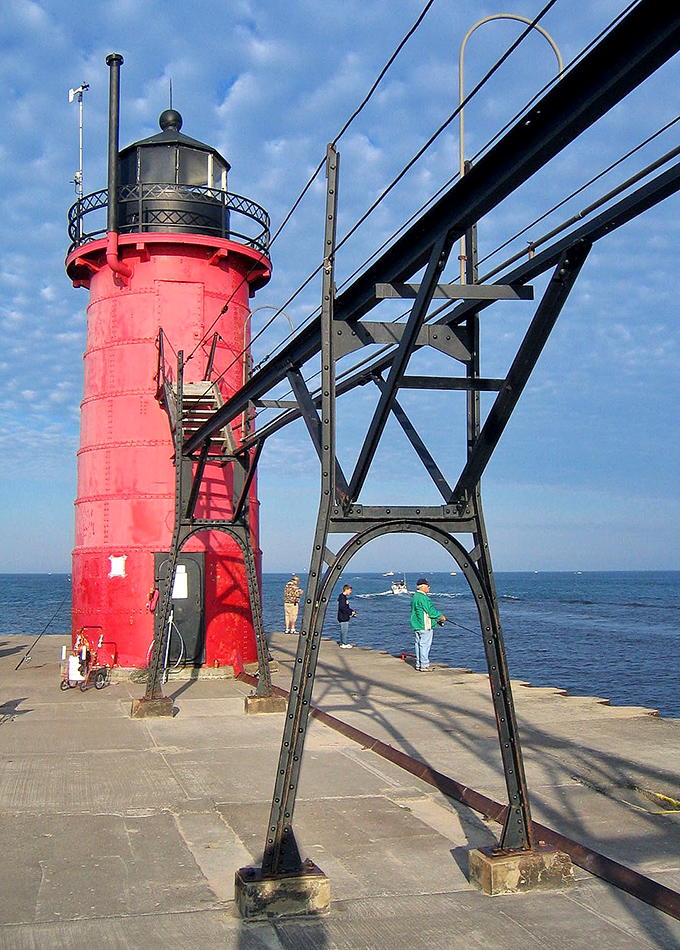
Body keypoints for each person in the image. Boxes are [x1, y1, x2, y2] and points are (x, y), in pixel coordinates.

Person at [410, 577, 445, 672]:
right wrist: (441, 616)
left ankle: (419, 664)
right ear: (422, 587)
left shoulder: (415, 597)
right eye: (427, 586)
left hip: (416, 625)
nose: (429, 588)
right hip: (425, 626)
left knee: (418, 644)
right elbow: (431, 612)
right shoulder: (424, 598)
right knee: (425, 645)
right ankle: (424, 665)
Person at [337, 584, 357, 648]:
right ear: (346, 590)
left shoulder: (343, 597)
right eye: (350, 590)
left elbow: (345, 607)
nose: (350, 592)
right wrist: (350, 612)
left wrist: (351, 611)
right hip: (343, 617)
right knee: (344, 630)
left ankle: (342, 642)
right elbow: (342, 607)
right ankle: (343, 643)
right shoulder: (342, 598)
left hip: (344, 616)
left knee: (343, 630)